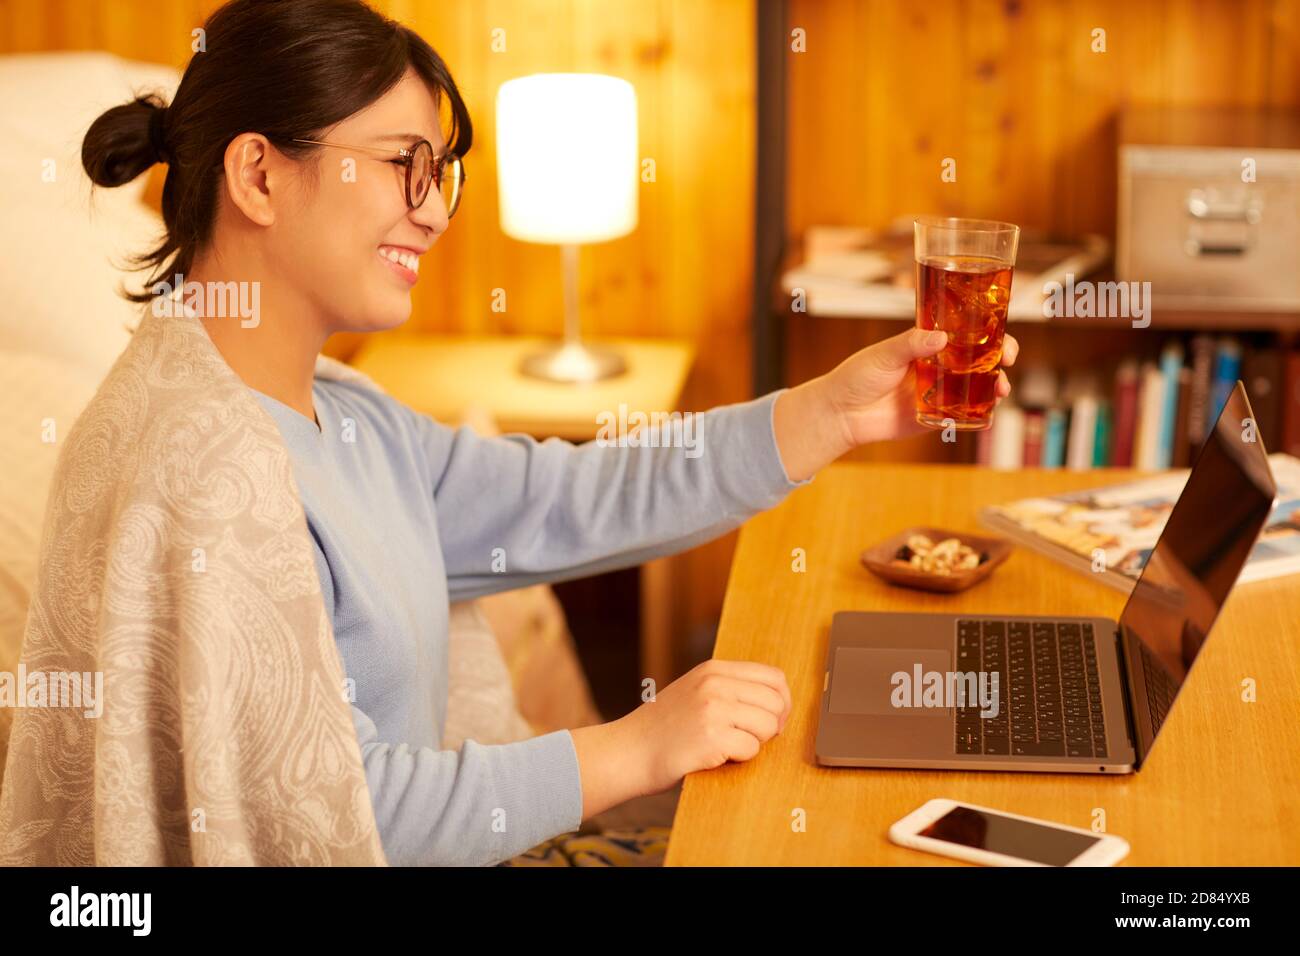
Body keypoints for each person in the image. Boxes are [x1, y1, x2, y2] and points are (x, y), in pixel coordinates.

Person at [71, 0, 1018, 865]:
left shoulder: (337, 408)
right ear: (259, 174)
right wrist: (638, 745)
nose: (435, 212)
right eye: (406, 164)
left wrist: (827, 414)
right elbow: (339, 820)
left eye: (440, 174)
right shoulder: (205, 473)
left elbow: (558, 498)